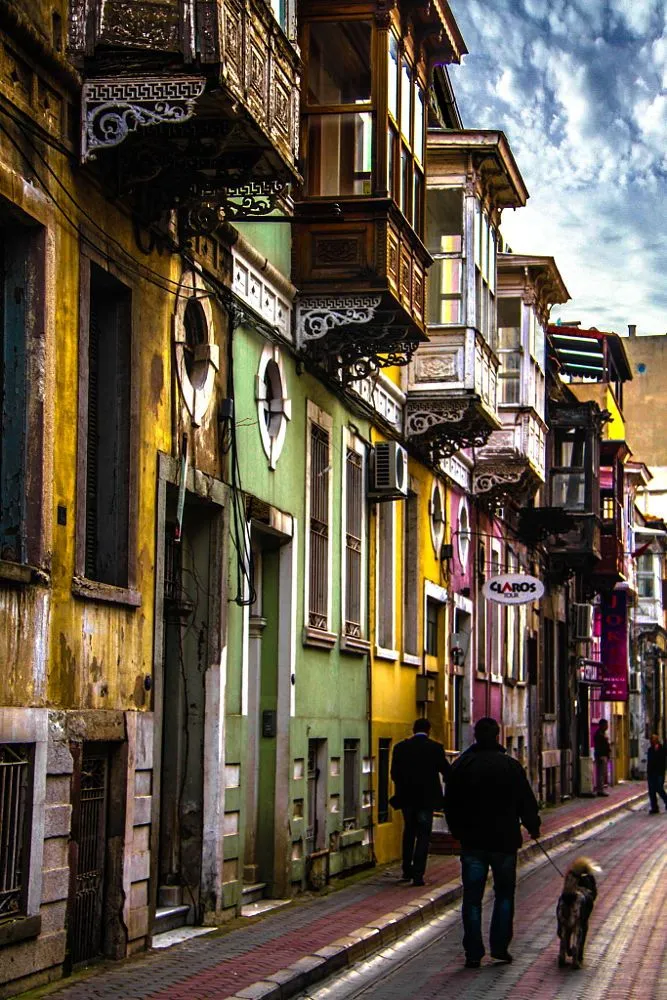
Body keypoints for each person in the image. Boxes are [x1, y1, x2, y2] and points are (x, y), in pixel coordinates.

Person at [443, 717, 541, 969]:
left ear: (475, 736)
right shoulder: (510, 766)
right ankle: (499, 948)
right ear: (498, 736)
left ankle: (473, 952)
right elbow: (525, 801)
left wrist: (457, 831)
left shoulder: (463, 766)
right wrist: (533, 826)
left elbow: (450, 803)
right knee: (504, 895)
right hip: (504, 841)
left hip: (473, 841)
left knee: (472, 898)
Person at [390, 718, 450, 887]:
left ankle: (406, 870)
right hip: (426, 800)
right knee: (424, 835)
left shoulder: (401, 748)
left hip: (407, 798)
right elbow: (446, 771)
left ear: (413, 729)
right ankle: (418, 874)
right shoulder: (435, 748)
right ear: (428, 730)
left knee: (409, 831)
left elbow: (394, 773)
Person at [646, 733, 667, 814]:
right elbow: (649, 762)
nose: (652, 741)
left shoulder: (662, 749)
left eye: (654, 739)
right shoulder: (650, 750)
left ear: (657, 740)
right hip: (651, 772)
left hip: (659, 772)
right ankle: (654, 807)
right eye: (651, 739)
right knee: (651, 791)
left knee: (659, 788)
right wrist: (648, 772)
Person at [593, 719, 611, 796]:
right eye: (606, 725)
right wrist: (601, 755)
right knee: (600, 773)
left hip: (604, 755)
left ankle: (601, 789)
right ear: (602, 725)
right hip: (601, 756)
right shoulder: (599, 734)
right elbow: (599, 746)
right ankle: (600, 790)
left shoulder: (603, 733)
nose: (607, 726)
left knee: (602, 773)